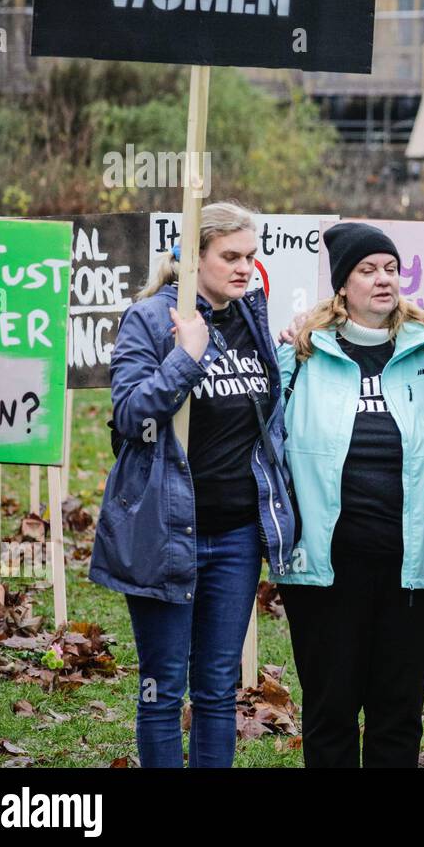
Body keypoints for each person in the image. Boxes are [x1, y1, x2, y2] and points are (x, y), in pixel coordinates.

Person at [91, 202, 297, 768]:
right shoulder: (153, 320)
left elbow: (267, 417)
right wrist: (186, 356)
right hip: (164, 530)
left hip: (236, 537)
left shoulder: (251, 316)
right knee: (162, 689)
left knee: (216, 690)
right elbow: (132, 415)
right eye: (230, 256)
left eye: (250, 256)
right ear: (191, 257)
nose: (244, 268)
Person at [272, 223, 424, 768]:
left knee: (398, 715)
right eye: (367, 270)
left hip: (414, 567)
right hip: (326, 568)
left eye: (391, 269)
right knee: (330, 711)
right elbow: (262, 441)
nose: (384, 280)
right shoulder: (300, 355)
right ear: (342, 286)